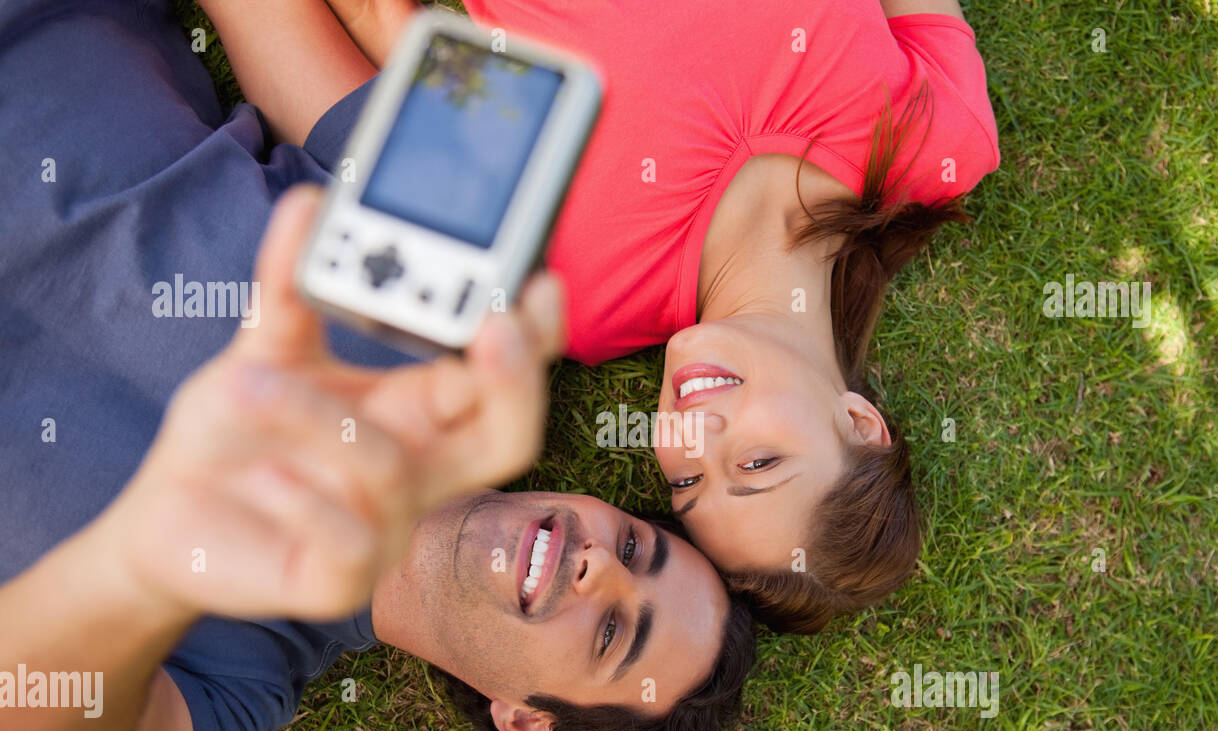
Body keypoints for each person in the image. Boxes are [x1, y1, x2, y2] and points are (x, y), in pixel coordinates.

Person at [0, 1, 755, 731]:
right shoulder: (473, 302)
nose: (598, 564)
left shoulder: (228, 702)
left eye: (612, 633)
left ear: (525, 718)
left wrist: (140, 567)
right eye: (637, 547)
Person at [320, 0, 1002, 633]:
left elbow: (399, 34)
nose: (694, 434)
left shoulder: (580, 292)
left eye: (688, 481)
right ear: (859, 423)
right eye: (759, 461)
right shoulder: (939, 146)